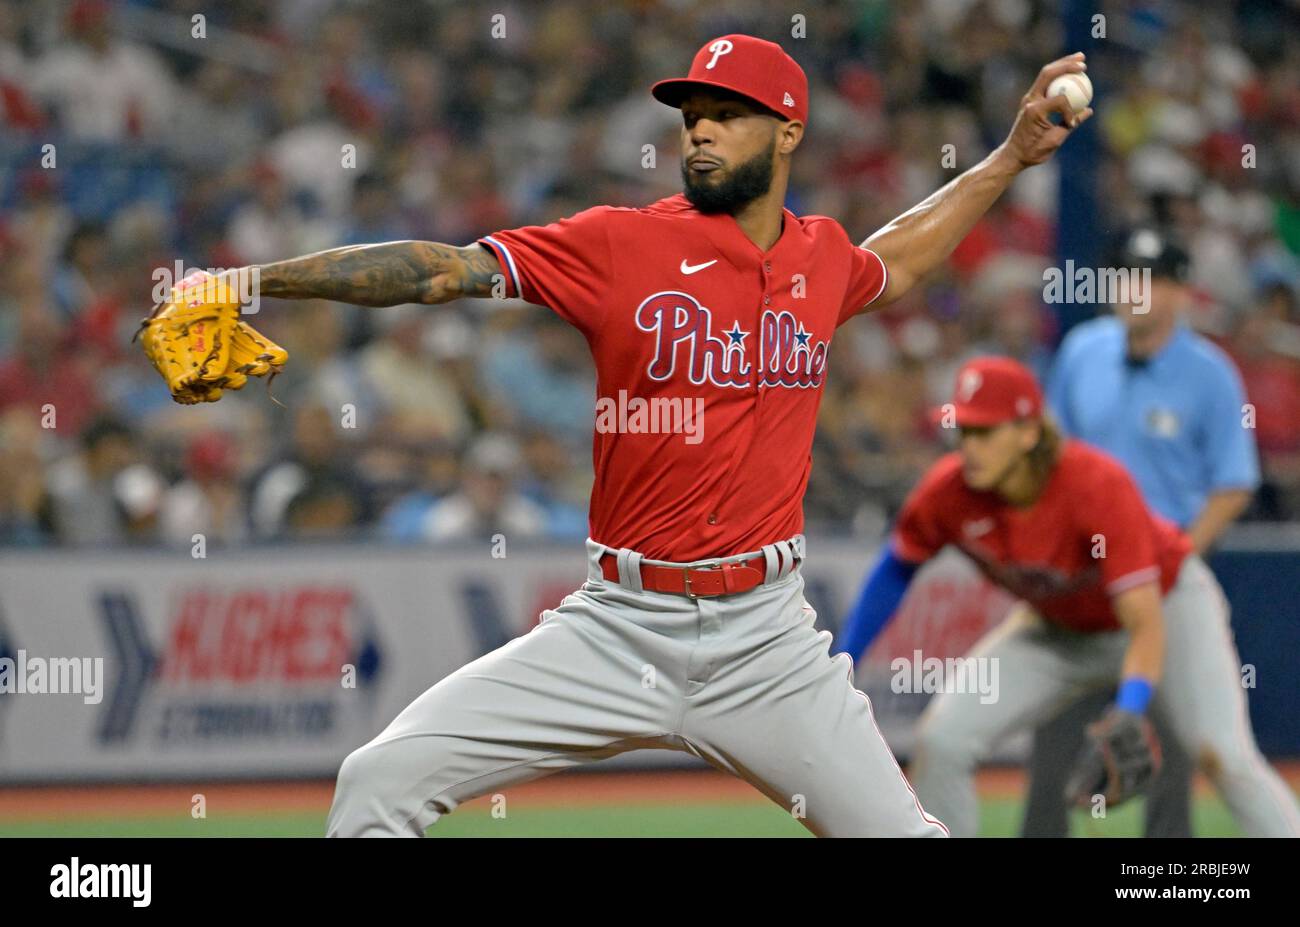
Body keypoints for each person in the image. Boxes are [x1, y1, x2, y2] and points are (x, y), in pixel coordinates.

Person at [197, 35, 1091, 836]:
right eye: (692, 116)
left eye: (727, 116)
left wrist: (1012, 156)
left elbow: (897, 255)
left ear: (788, 133)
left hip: (766, 642)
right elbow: (443, 270)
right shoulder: (618, 244)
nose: (699, 132)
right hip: (619, 625)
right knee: (377, 782)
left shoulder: (822, 259)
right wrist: (252, 280)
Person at [834, 356, 1298, 837]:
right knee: (944, 739)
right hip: (1057, 629)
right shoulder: (949, 492)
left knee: (1222, 754)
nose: (968, 446)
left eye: (985, 433)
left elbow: (1145, 622)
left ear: (1029, 432)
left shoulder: (1095, 483)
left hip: (1168, 607)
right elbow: (895, 570)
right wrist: (842, 662)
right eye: (963, 432)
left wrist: (1130, 709)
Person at [1022, 227, 1261, 837]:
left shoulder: (1211, 374)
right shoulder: (1082, 350)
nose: (1135, 290)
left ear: (1183, 292)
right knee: (1055, 731)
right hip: (1081, 577)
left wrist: (1178, 557)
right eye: (1126, 276)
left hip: (1162, 572)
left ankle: (1166, 870)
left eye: (1153, 279)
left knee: (1171, 739)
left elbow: (1233, 482)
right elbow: (1050, 457)